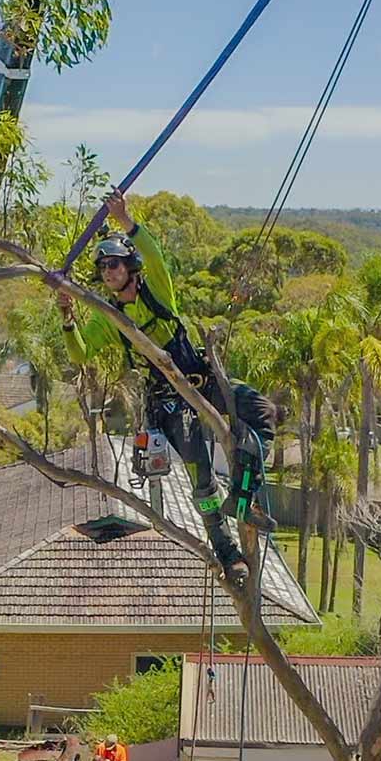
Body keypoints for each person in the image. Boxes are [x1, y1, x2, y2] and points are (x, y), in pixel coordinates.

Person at [58, 188, 277, 585]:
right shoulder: (108, 317)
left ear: (131, 266)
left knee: (259, 412)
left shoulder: (155, 287)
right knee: (202, 476)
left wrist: (124, 218)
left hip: (200, 379)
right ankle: (226, 552)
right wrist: (68, 318)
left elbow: (153, 250)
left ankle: (245, 498)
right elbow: (81, 354)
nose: (108, 271)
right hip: (167, 401)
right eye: (103, 266)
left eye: (115, 264)